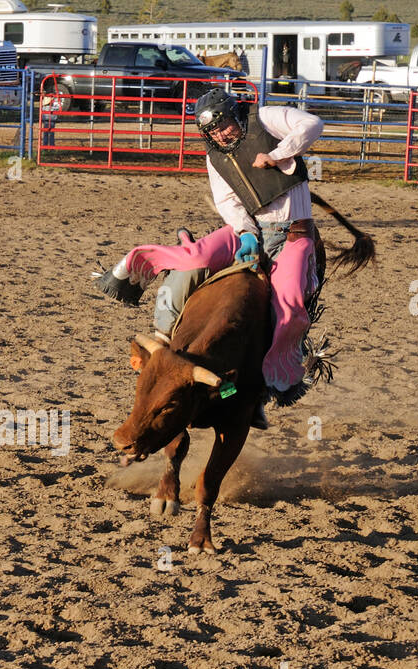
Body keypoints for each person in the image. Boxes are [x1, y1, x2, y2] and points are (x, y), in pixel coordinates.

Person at [96, 88, 324, 426]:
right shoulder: (214, 157)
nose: (221, 133)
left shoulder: (264, 118)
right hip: (249, 229)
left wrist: (278, 154)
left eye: (225, 125)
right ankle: (159, 334)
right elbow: (229, 201)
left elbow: (312, 124)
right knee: (195, 257)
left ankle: (271, 382)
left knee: (289, 302)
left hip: (293, 233)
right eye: (213, 131)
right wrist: (245, 231)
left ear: (236, 114)